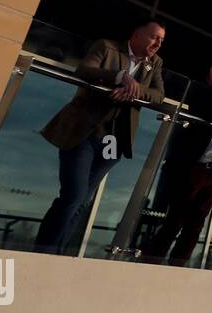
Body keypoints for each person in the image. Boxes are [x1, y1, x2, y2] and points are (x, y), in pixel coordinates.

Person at [35, 23, 166, 254]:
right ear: (136, 34)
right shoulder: (106, 47)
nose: (158, 44)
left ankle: (58, 255)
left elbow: (158, 95)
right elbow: (85, 70)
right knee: (73, 196)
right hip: (84, 132)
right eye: (154, 37)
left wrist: (132, 90)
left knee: (82, 201)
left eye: (161, 40)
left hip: (114, 140)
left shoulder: (155, 63)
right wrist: (120, 76)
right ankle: (43, 252)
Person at [146, 61, 212, 266]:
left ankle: (178, 267)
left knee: (196, 224)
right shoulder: (201, 94)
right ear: (209, 78)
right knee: (175, 219)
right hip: (192, 168)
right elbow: (207, 114)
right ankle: (151, 263)